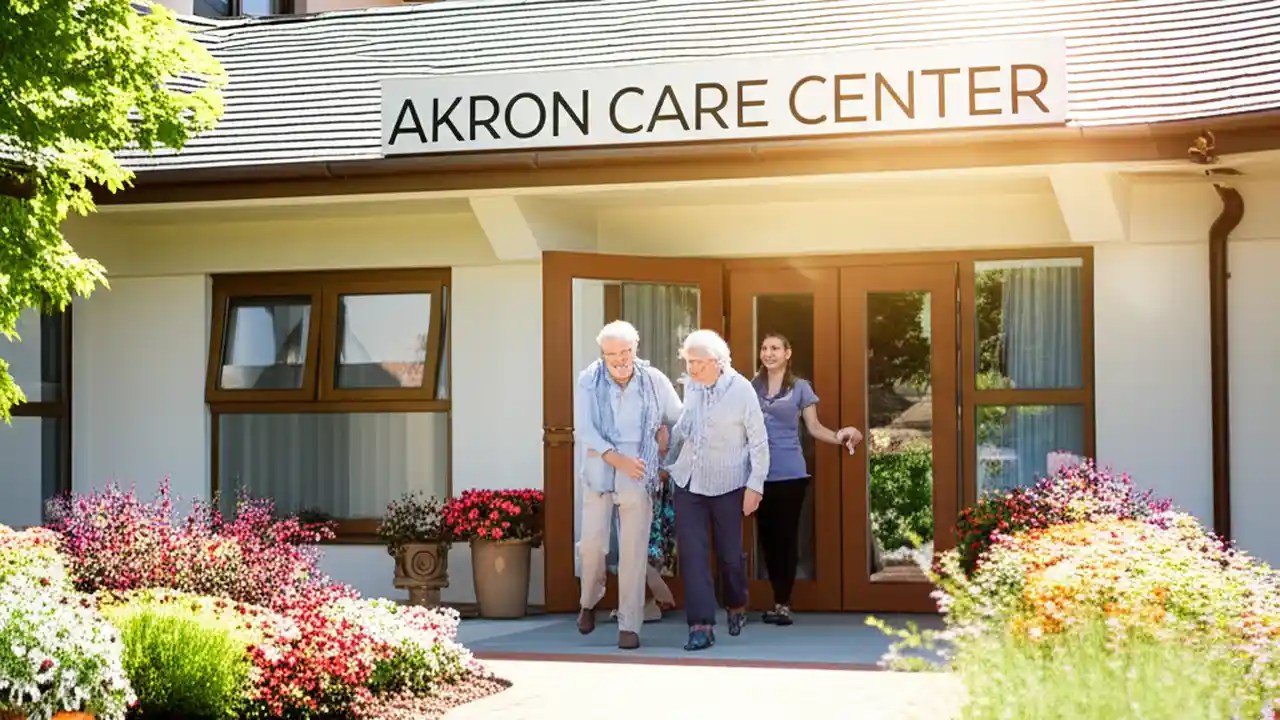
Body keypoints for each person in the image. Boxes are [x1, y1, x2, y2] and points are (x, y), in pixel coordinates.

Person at [574, 320, 681, 650]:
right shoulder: (589, 380)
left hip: (639, 470)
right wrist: (616, 458)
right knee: (593, 546)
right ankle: (589, 600)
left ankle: (629, 624)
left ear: (636, 349)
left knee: (634, 550)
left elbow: (679, 419)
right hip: (601, 468)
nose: (619, 360)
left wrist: (667, 442)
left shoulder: (654, 380)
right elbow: (585, 429)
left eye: (625, 352)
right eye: (611, 354)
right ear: (602, 354)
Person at [664, 329, 769, 652]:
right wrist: (666, 463)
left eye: (697, 363)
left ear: (718, 362)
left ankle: (736, 603)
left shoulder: (742, 391)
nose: (691, 370)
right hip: (689, 482)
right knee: (693, 554)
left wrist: (756, 484)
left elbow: (759, 440)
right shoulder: (693, 386)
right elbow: (683, 427)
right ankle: (701, 625)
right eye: (688, 363)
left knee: (728, 554)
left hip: (728, 483)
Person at [752, 332, 862, 626]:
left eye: (775, 348)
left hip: (790, 473)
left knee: (786, 539)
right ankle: (777, 600)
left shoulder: (801, 388)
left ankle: (783, 604)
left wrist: (840, 437)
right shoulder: (752, 386)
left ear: (788, 353)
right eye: (764, 348)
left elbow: (813, 427)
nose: (769, 353)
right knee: (767, 540)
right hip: (758, 474)